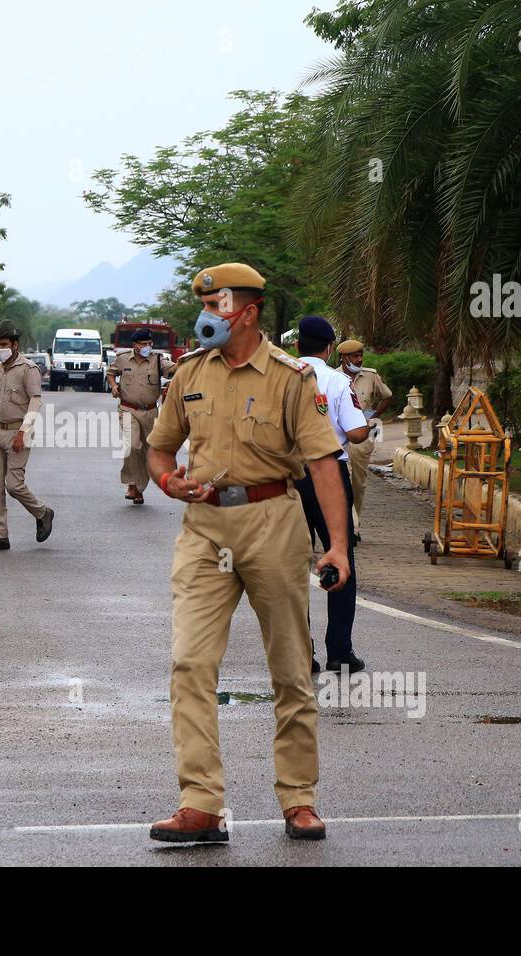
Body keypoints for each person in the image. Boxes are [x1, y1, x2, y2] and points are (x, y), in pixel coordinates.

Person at [145, 263, 350, 844]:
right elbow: (160, 450)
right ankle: (201, 804)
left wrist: (337, 544)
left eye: (218, 305)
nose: (207, 315)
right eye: (205, 305)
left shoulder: (290, 378)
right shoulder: (189, 373)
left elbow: (322, 464)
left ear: (249, 312)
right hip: (204, 527)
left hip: (272, 521)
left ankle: (299, 799)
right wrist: (168, 483)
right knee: (189, 662)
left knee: (289, 667)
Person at [293, 317, 370, 674]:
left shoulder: (278, 377)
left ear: (296, 346)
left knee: (291, 564)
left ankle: (299, 654)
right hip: (329, 476)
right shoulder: (339, 381)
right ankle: (339, 651)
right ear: (328, 348)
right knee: (340, 560)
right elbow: (356, 433)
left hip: (287, 476)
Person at [0, 320, 54, 551]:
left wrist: (24, 431)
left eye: (4, 344)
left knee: (13, 485)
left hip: (18, 432)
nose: (0, 348)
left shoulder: (28, 368)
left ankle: (43, 512)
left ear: (15, 345)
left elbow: (36, 400)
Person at [107, 328, 176, 504]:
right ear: (135, 345)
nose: (147, 347)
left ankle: (139, 488)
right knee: (132, 444)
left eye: (149, 344)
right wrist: (114, 386)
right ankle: (131, 484)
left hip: (151, 412)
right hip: (128, 409)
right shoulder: (122, 359)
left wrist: (186, 362)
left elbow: (174, 370)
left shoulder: (158, 360)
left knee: (146, 450)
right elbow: (111, 372)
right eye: (144, 344)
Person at [337, 339, 393, 540]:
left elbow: (387, 396)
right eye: (354, 356)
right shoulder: (333, 377)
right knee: (344, 478)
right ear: (343, 358)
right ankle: (351, 528)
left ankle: (355, 521)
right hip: (341, 435)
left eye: (360, 355)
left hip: (364, 434)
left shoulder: (371, 375)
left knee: (358, 483)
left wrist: (373, 416)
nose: (359, 359)